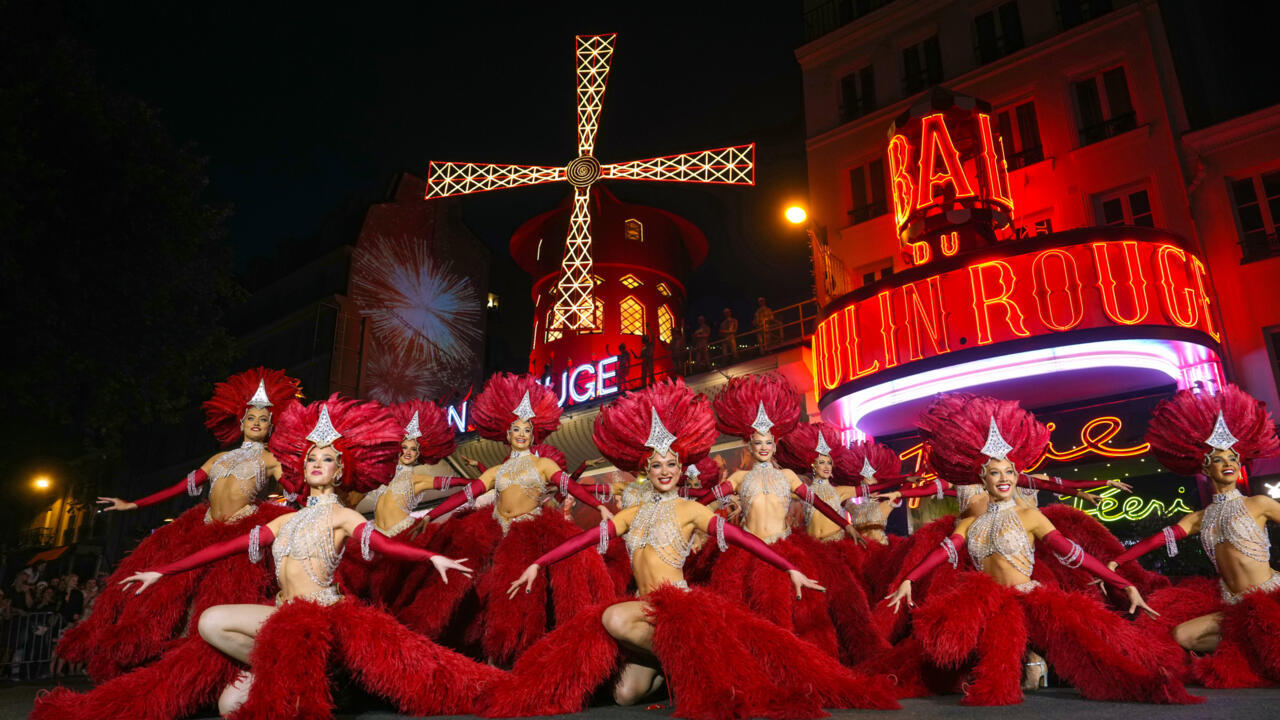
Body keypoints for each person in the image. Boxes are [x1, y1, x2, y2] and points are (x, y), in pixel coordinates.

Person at [38, 396, 501, 720]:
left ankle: (316, 678)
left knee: (213, 621)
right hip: (280, 618)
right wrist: (163, 570)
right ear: (303, 467)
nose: (318, 463)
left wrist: (429, 558)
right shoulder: (283, 521)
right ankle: (292, 677)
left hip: (321, 619)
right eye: (312, 458)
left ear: (341, 469)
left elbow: (382, 544)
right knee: (227, 706)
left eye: (328, 459)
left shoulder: (340, 513)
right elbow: (221, 547)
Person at [482, 379, 898, 718]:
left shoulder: (689, 509)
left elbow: (743, 540)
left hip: (677, 609)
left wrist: (788, 567)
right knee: (626, 695)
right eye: (656, 465)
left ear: (680, 469)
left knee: (612, 616)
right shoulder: (634, 514)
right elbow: (582, 540)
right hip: (647, 616)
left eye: (671, 465)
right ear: (646, 469)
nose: (664, 471)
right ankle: (668, 668)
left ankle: (684, 659)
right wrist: (538, 563)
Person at [881, 393, 1198, 706]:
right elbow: (943, 551)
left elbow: (1074, 553)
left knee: (1095, 650)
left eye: (1009, 472)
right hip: (986, 601)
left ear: (1017, 476)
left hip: (1028, 597)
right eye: (995, 472)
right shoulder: (970, 521)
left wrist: (1123, 583)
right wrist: (910, 578)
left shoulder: (1030, 516)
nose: (1003, 478)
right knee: (955, 665)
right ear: (983, 477)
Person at [56, 368, 302, 682]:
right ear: (240, 423)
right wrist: (132, 504)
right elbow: (176, 488)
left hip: (241, 536)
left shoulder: (271, 461)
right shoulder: (217, 459)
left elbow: (294, 492)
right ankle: (159, 660)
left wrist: (313, 500)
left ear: (271, 427)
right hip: (203, 531)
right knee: (170, 594)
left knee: (223, 598)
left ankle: (221, 669)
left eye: (263, 419)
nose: (256, 422)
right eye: (250, 417)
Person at [391, 373, 616, 666]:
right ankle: (471, 650)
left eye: (527, 430)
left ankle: (524, 655)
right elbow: (470, 493)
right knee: (478, 587)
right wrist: (431, 515)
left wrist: (599, 507)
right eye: (516, 429)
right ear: (507, 435)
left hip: (531, 533)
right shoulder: (497, 470)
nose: (521, 434)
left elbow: (570, 487)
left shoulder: (544, 464)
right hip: (496, 530)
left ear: (533, 436)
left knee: (523, 597)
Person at [1105, 384, 1280, 687]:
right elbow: (1155, 540)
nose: (1228, 463)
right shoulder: (1200, 518)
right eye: (1220, 459)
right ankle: (1253, 655)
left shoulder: (1258, 504)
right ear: (1205, 467)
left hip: (1270, 597)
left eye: (1233, 458)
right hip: (1234, 606)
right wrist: (1116, 563)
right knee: (1182, 635)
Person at [696, 373, 865, 656]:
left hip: (784, 547)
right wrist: (685, 515)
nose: (763, 447)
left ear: (774, 446)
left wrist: (844, 525)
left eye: (768, 443)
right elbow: (704, 501)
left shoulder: (787, 476)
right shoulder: (738, 478)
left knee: (793, 614)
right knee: (747, 615)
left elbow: (817, 501)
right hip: (747, 551)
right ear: (750, 446)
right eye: (758, 443)